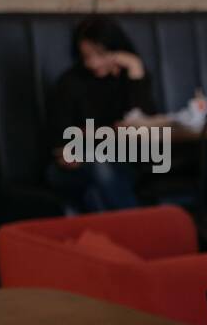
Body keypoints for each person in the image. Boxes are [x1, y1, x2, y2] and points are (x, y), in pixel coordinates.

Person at [45, 15, 154, 211]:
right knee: (100, 165)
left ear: (118, 50)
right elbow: (59, 142)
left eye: (101, 55)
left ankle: (113, 240)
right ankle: (140, 232)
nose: (94, 63)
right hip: (68, 167)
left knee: (94, 194)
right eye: (87, 57)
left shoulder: (130, 78)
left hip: (122, 163)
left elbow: (142, 122)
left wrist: (135, 68)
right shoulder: (70, 82)